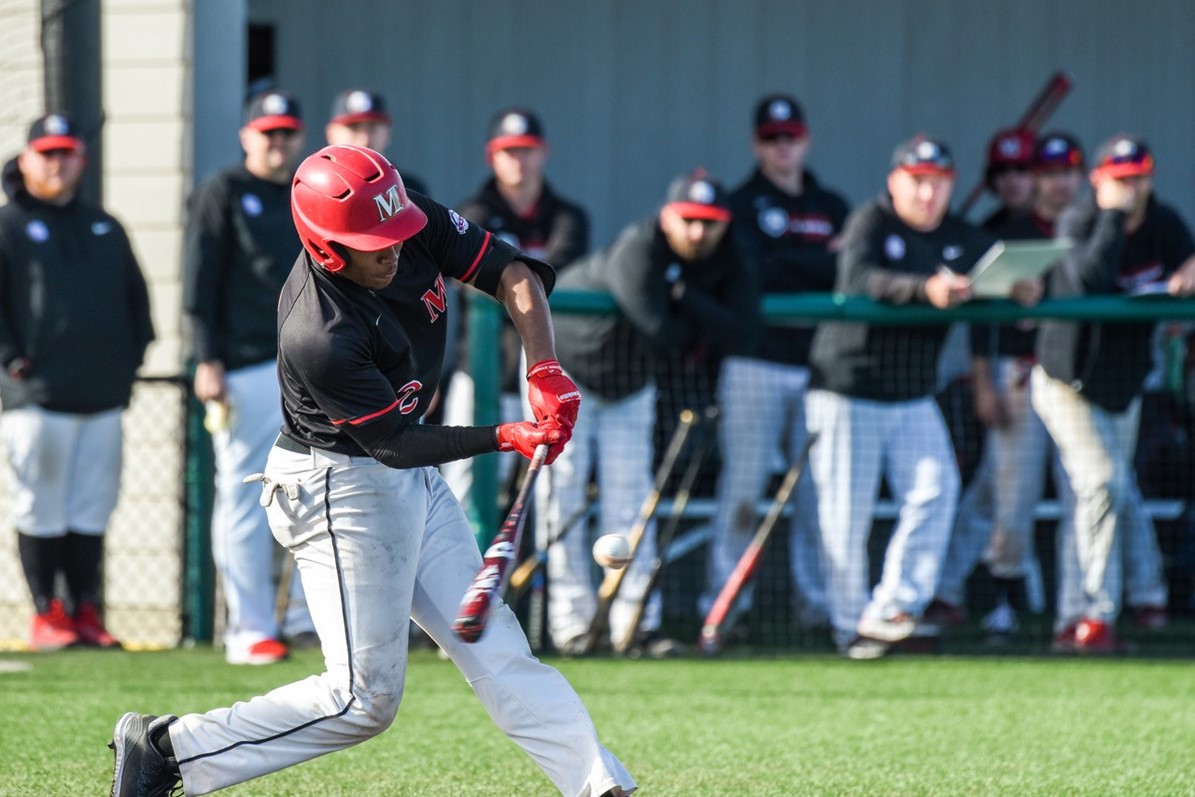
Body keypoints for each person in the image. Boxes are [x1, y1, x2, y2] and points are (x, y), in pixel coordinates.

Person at [109, 144, 635, 797]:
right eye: (372, 242)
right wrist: (507, 435)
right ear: (329, 248)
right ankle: (168, 748)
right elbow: (392, 442)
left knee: (495, 642)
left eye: (396, 231)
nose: (394, 248)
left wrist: (543, 368)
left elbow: (514, 273)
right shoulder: (318, 332)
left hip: (403, 472)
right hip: (336, 484)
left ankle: (596, 784)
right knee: (363, 699)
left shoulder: (402, 218)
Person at [806, 135, 1043, 660]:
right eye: (917, 181)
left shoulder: (960, 234)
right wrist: (925, 291)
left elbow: (1001, 269)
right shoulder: (871, 220)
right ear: (895, 182)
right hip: (848, 387)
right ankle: (850, 627)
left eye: (937, 183)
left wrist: (1020, 286)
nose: (927, 193)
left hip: (913, 392)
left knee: (938, 487)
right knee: (846, 513)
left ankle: (893, 607)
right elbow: (859, 277)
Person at [544, 170, 761, 655]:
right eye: (688, 220)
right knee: (564, 496)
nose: (698, 232)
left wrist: (686, 296)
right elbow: (661, 330)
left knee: (633, 501)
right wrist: (698, 310)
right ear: (668, 216)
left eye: (710, 222)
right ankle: (571, 626)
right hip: (569, 369)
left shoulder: (729, 253)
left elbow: (747, 331)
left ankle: (635, 623)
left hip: (631, 384)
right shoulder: (639, 245)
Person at [1033, 134, 1195, 653]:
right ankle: (1095, 616)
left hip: (1122, 387)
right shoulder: (1080, 220)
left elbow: (1186, 262)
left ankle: (1073, 618)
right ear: (1100, 181)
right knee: (1101, 485)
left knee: (1100, 496)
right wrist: (1111, 217)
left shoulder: (1164, 222)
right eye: (1121, 179)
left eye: (1140, 177)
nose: (1133, 188)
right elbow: (1088, 279)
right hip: (1067, 381)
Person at [0, 113, 154, 651]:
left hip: (102, 395)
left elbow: (137, 301)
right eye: (47, 152)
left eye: (66, 152)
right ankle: (48, 613)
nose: (57, 162)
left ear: (81, 160)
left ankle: (85, 609)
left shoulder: (105, 225)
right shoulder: (9, 224)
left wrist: (128, 362)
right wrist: (12, 359)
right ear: (26, 159)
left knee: (92, 505)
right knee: (39, 504)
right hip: (36, 397)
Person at [698, 93, 850, 636]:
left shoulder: (832, 204)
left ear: (805, 139)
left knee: (818, 496)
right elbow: (756, 272)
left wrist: (797, 261)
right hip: (755, 363)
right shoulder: (740, 203)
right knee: (743, 491)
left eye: (791, 137)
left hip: (819, 369)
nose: (782, 147)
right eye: (771, 138)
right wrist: (817, 260)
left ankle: (818, 609)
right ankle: (722, 610)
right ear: (756, 143)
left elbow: (845, 271)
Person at [931, 132, 1086, 640]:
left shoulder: (1089, 227)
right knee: (1006, 495)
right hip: (1017, 374)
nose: (1026, 182)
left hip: (1074, 375)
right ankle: (993, 598)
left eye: (1062, 173)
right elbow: (981, 316)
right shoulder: (1001, 233)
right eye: (1017, 174)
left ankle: (1085, 609)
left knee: (1089, 492)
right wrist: (983, 382)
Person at [182, 90, 315, 665]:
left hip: (309, 363)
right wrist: (206, 358)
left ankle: (306, 620)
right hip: (244, 361)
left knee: (316, 490)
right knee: (245, 494)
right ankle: (249, 626)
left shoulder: (308, 194)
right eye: (267, 132)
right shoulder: (224, 190)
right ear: (247, 136)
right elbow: (198, 282)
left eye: (286, 132)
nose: (277, 141)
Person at [444, 107, 590, 508]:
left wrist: (504, 277)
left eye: (527, 150)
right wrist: (515, 282)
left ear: (542, 153)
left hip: (545, 376)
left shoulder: (568, 217)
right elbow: (483, 283)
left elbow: (548, 284)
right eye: (509, 151)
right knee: (464, 489)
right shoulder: (470, 215)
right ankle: (463, 573)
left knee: (557, 491)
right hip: (480, 373)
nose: (518, 160)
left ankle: (555, 575)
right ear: (493, 155)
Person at [325, 87, 429, 196]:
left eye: (372, 128)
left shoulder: (410, 188)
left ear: (388, 133)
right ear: (331, 134)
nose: (364, 139)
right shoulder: (315, 187)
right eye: (354, 128)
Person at [980, 127, 1037, 231]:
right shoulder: (987, 231)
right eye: (1002, 171)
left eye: (1021, 170)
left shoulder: (1064, 226)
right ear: (992, 180)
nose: (1012, 182)